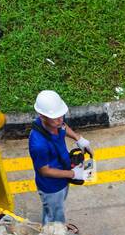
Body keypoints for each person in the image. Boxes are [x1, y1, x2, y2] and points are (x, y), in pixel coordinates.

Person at [28, 90, 92, 226]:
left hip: (63, 175)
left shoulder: (55, 121)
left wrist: (78, 138)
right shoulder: (38, 144)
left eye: (61, 115)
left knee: (56, 209)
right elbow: (44, 171)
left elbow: (63, 126)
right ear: (42, 116)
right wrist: (73, 173)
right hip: (52, 187)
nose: (60, 120)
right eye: (55, 117)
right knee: (54, 218)